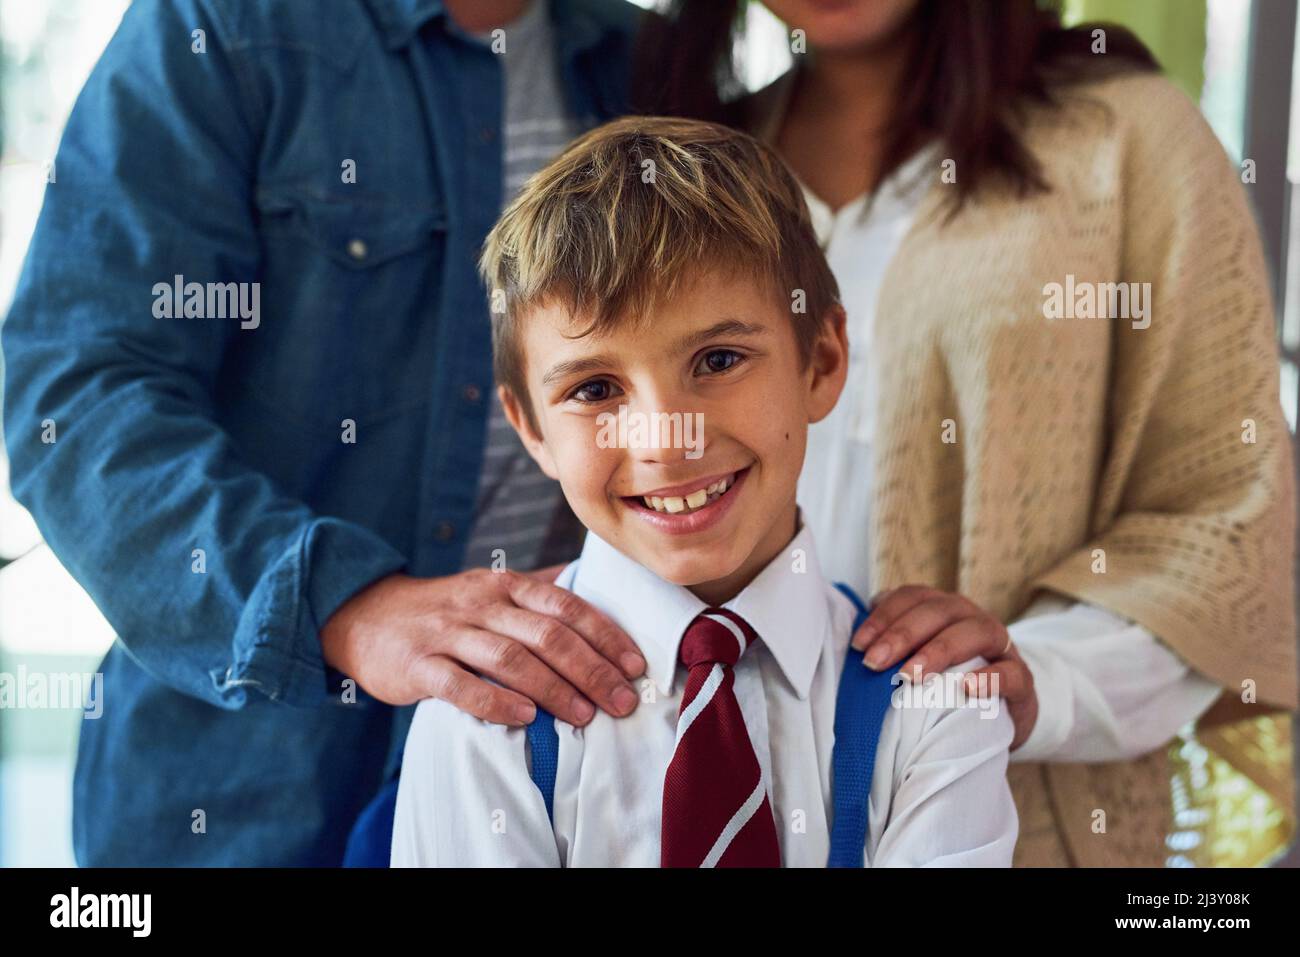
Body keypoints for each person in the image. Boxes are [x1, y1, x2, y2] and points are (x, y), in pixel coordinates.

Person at [632, 0, 1298, 866]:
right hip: (698, 802)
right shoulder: (685, 163)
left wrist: (1029, 679)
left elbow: (1226, 515)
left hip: (1030, 817)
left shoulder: (1127, 137)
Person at [0, 0, 651, 865]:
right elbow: (73, 397)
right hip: (240, 803)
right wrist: (346, 604)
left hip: (548, 792)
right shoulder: (220, 25)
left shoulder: (641, 59)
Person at [390, 116, 1018, 867]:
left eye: (719, 359)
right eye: (595, 388)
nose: (666, 439)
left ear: (820, 360)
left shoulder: (935, 704)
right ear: (530, 428)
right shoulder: (485, 720)